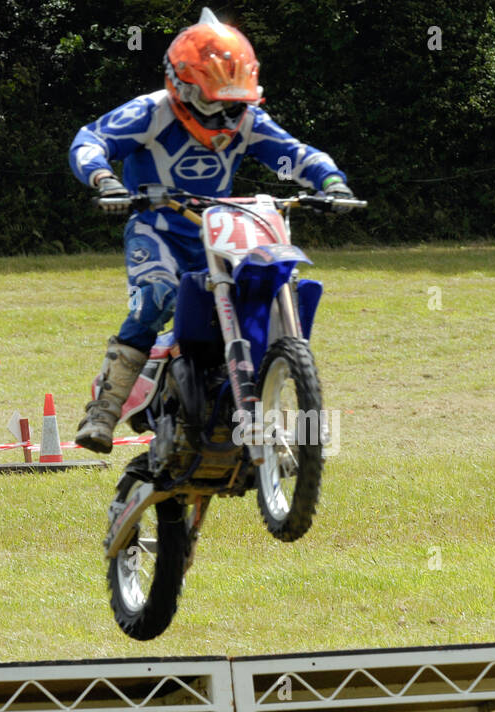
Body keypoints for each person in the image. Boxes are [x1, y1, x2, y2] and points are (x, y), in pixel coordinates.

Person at [68, 7, 354, 453]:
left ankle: (265, 411)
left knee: (263, 299)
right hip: (157, 227)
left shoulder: (250, 122)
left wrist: (331, 183)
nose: (224, 117)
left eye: (235, 103)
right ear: (181, 86)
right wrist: (104, 179)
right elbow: (90, 140)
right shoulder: (150, 113)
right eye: (214, 102)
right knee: (156, 297)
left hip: (219, 232)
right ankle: (104, 409)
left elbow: (295, 154)